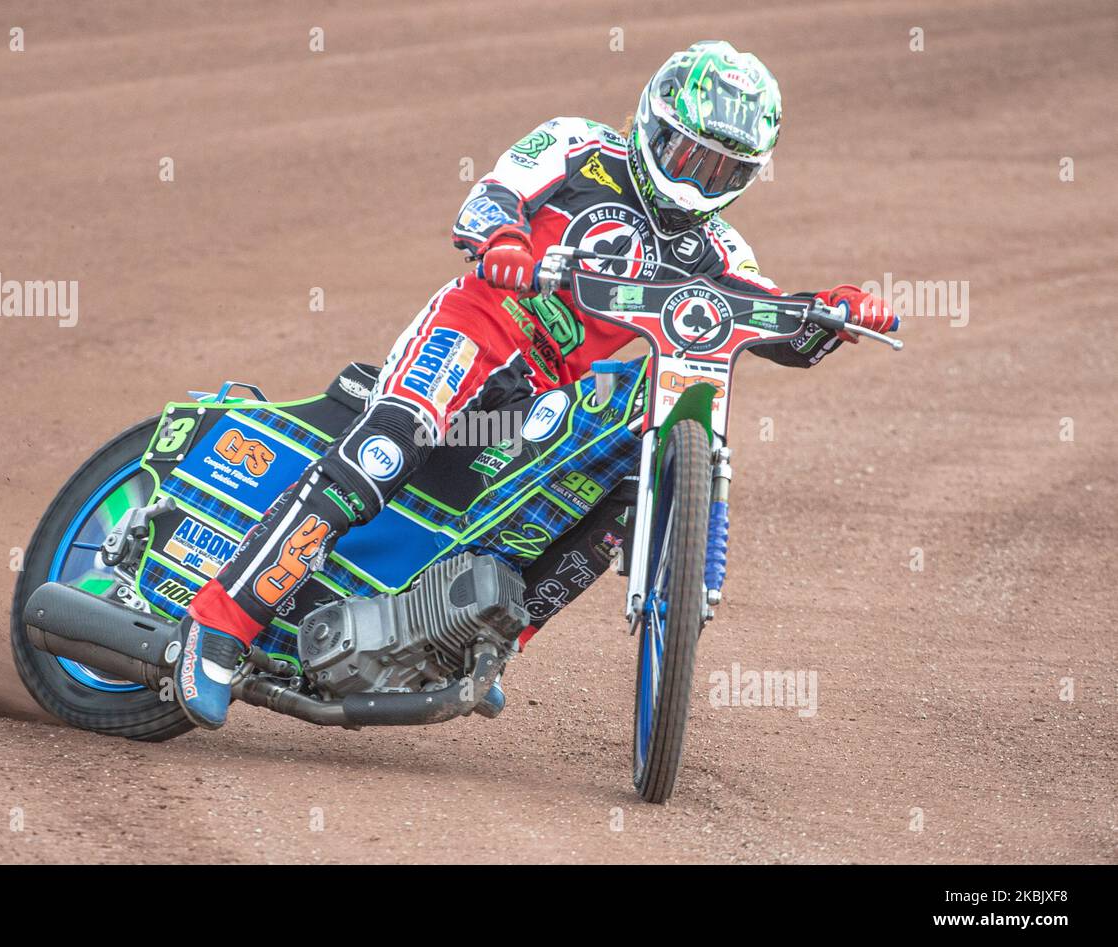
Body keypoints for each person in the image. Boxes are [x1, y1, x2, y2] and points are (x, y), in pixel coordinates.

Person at [175, 40, 897, 728]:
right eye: (689, 154)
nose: (700, 177)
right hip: (479, 331)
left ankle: (483, 641)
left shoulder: (719, 250)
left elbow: (770, 319)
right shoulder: (577, 144)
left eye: (722, 169)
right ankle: (219, 624)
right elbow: (489, 200)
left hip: (546, 397)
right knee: (386, 449)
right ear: (653, 123)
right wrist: (504, 241)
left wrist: (832, 313)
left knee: (617, 484)